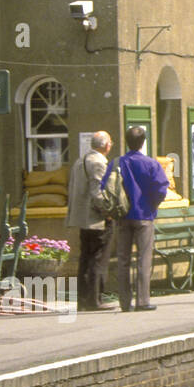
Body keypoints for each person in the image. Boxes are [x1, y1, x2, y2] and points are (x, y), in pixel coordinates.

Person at [112, 125, 168, 311]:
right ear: (143, 142)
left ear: (126, 142)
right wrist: (152, 204)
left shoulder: (117, 163)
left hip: (122, 215)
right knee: (144, 258)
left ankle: (124, 302)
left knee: (123, 259)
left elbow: (107, 187)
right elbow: (161, 189)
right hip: (144, 215)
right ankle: (143, 301)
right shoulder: (151, 164)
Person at [66, 130, 117, 311]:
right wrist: (108, 212)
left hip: (83, 219)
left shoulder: (80, 161)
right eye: (110, 142)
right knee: (98, 259)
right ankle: (95, 300)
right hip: (97, 220)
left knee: (85, 258)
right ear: (106, 145)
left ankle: (82, 299)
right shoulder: (98, 163)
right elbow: (97, 192)